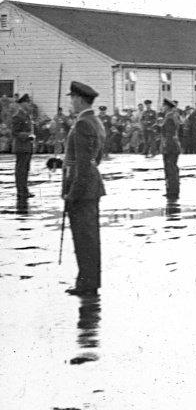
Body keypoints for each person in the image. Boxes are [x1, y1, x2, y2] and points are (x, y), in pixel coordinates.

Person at [62, 81, 107, 297]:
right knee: (90, 237)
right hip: (92, 186)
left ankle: (86, 284)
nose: (70, 103)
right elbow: (94, 158)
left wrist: (72, 194)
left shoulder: (82, 124)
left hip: (83, 188)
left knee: (84, 238)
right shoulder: (95, 121)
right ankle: (90, 280)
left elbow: (81, 165)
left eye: (72, 99)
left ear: (79, 100)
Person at [12, 94, 35, 203]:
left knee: (25, 170)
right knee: (21, 170)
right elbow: (15, 132)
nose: (29, 105)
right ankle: (21, 191)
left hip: (27, 147)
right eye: (27, 102)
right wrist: (27, 136)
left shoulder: (26, 116)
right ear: (22, 104)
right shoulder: (18, 116)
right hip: (21, 146)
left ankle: (24, 190)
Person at [161, 99, 182, 200]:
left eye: (163, 106)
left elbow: (169, 135)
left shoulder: (169, 118)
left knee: (170, 169)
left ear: (167, 107)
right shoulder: (172, 116)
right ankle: (172, 189)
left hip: (171, 146)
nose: (162, 108)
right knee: (172, 168)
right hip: (174, 145)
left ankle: (172, 190)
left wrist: (166, 147)